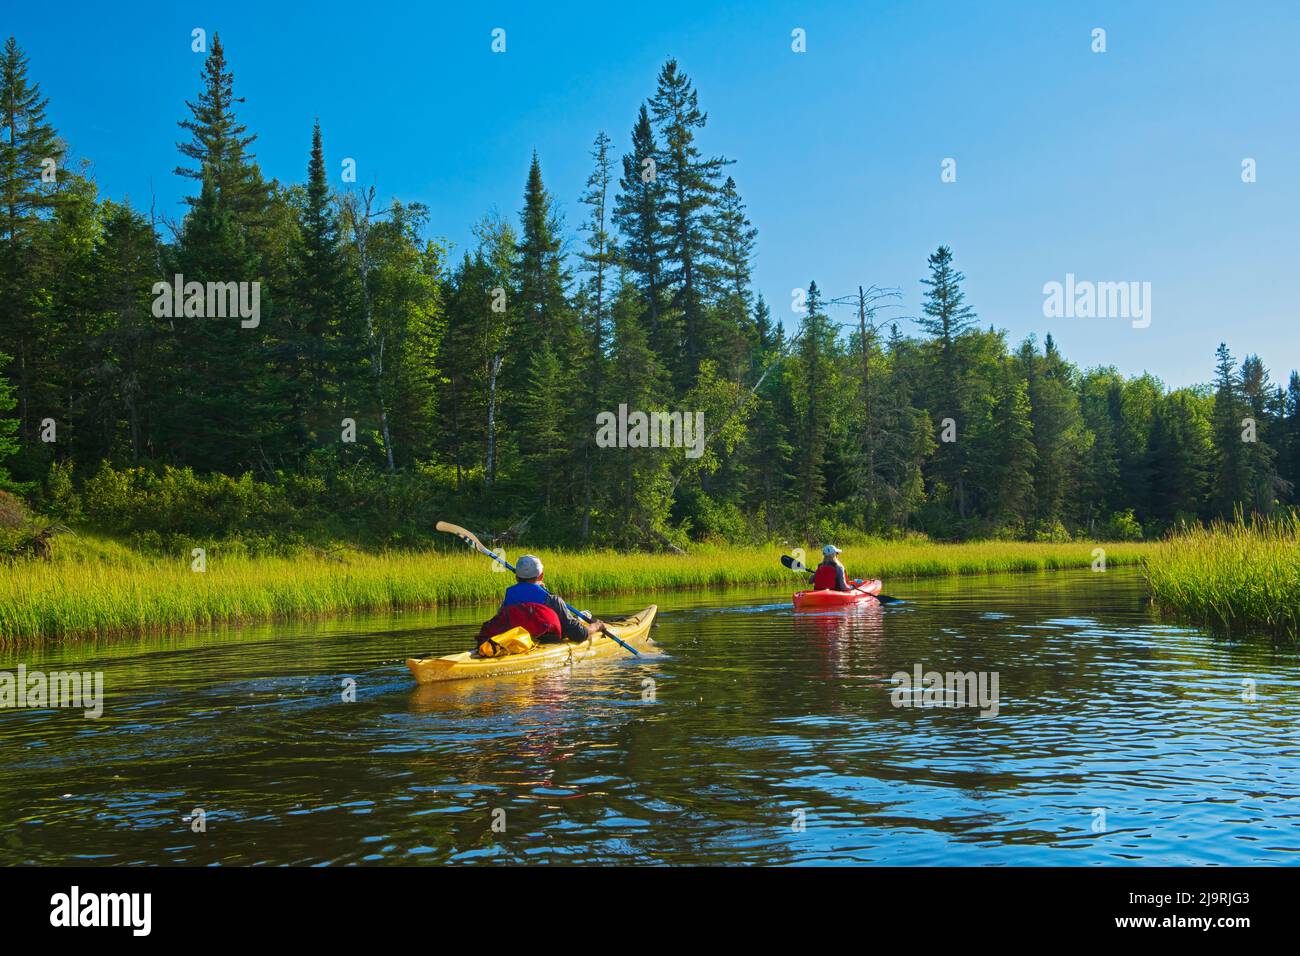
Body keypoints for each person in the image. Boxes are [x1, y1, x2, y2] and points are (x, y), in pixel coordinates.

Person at [477, 554, 608, 646]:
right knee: (574, 625)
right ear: (541, 575)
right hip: (545, 643)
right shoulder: (552, 599)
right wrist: (597, 626)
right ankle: (582, 619)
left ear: (516, 577)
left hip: (518, 643)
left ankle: (579, 618)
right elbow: (579, 635)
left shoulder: (509, 595)